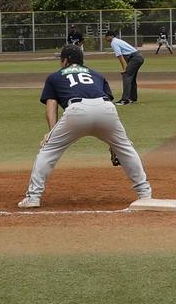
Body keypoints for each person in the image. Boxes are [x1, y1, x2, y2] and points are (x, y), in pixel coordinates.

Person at [18, 44, 151, 208]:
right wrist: (113, 145)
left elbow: (51, 107)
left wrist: (51, 133)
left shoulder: (54, 77)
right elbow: (105, 106)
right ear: (82, 61)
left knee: (48, 151)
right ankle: (145, 194)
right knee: (125, 148)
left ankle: (33, 197)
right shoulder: (96, 74)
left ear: (65, 61)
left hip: (76, 111)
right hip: (106, 109)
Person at [106, 30, 144, 105]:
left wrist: (124, 68)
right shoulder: (117, 41)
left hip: (135, 58)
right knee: (131, 78)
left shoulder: (114, 42)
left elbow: (120, 56)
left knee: (126, 75)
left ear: (111, 36)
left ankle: (125, 100)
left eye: (107, 36)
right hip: (137, 57)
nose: (106, 38)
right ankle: (132, 98)